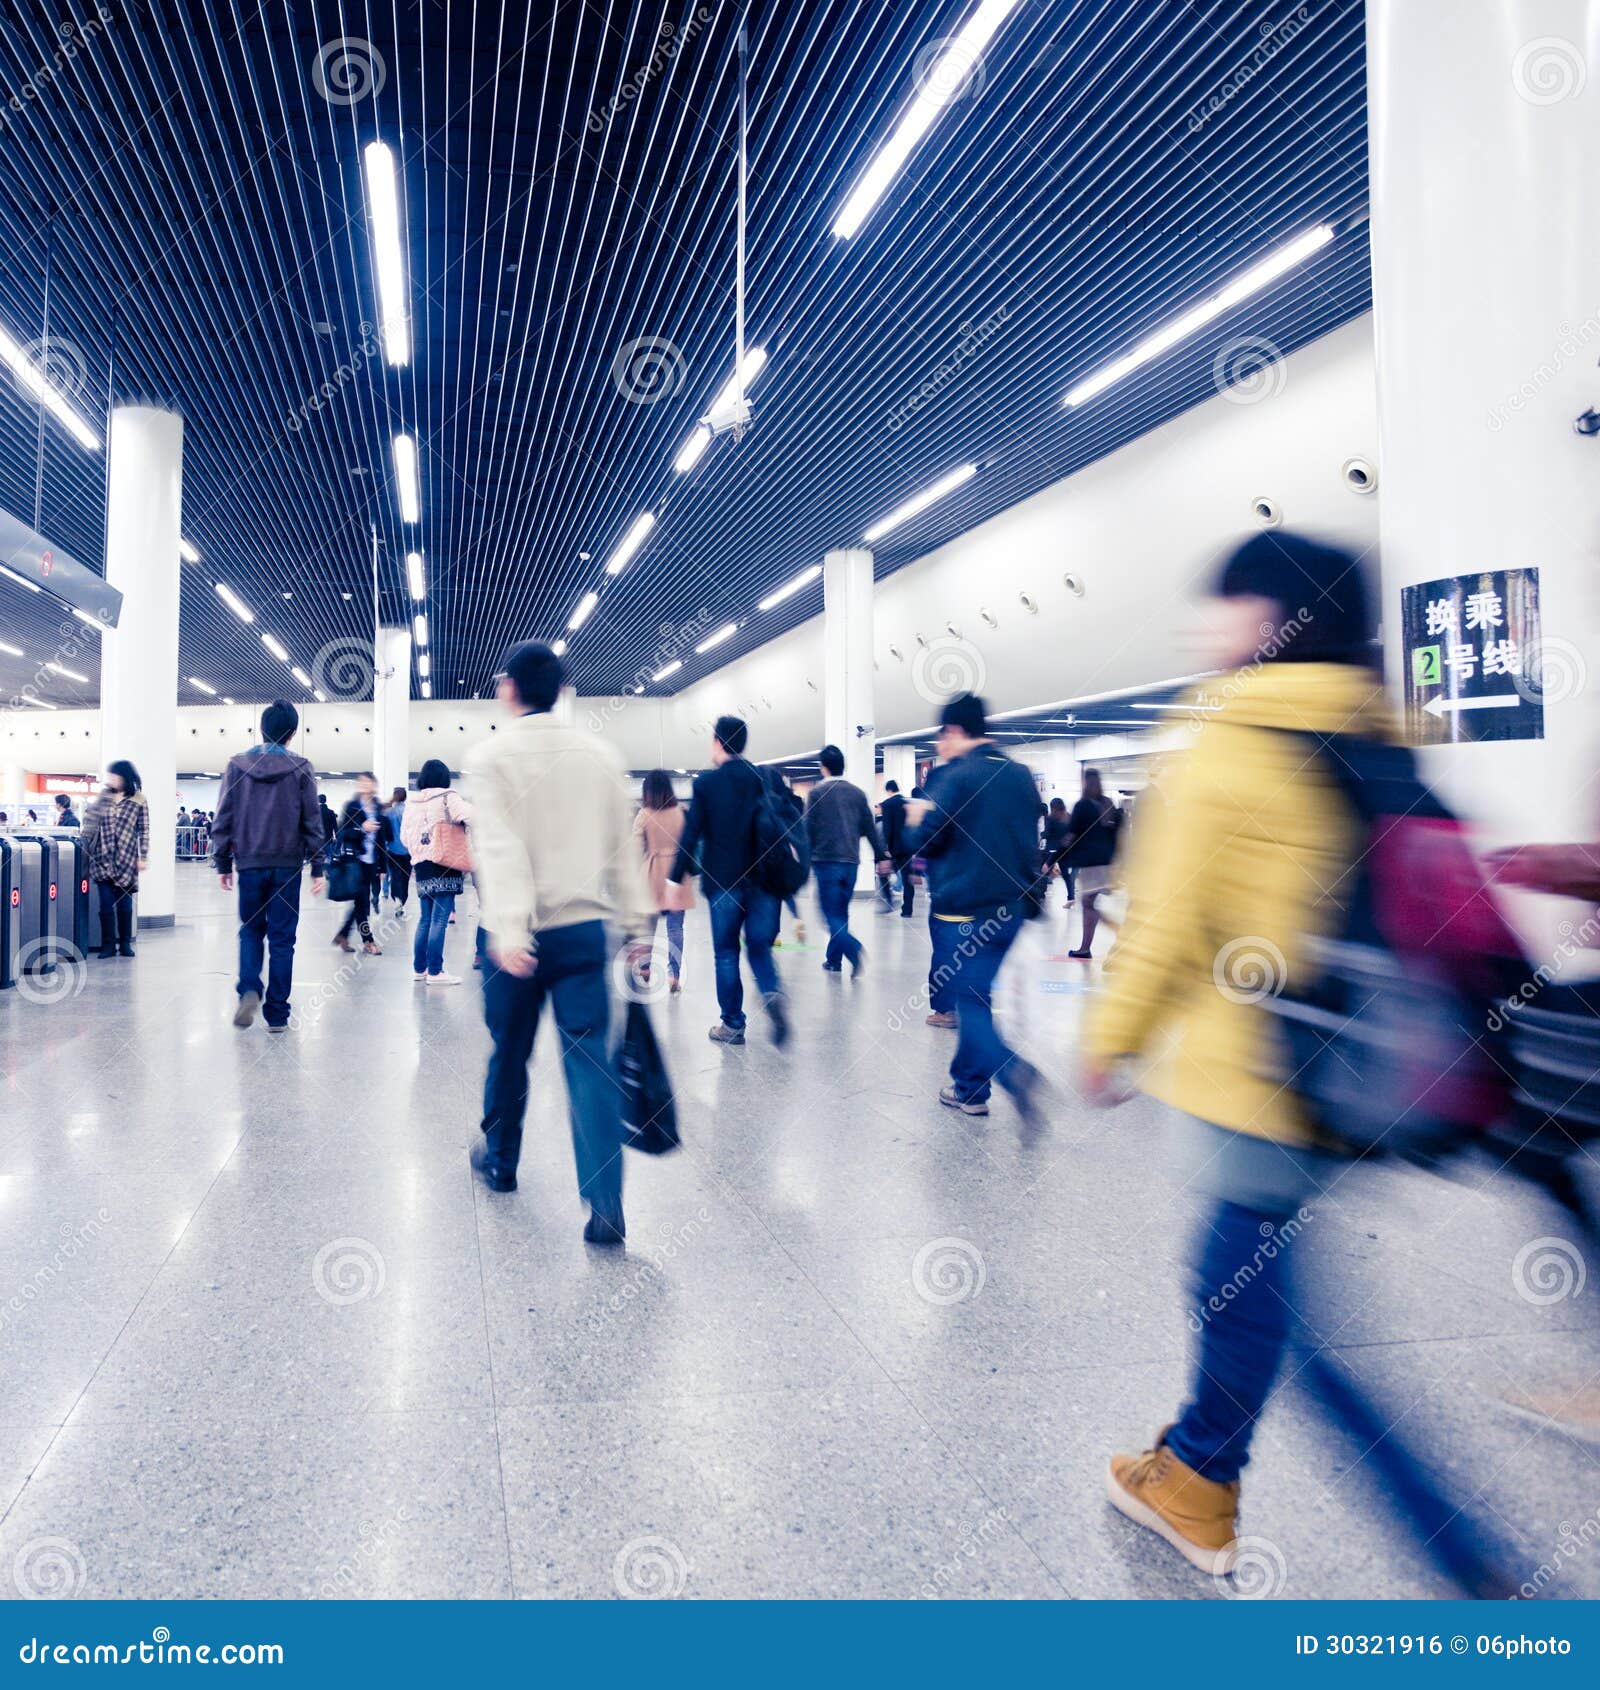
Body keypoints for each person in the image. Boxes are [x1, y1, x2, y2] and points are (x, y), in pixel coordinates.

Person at [1081, 531, 1442, 1581]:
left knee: (1261, 1297)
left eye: (1225, 602)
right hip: (1371, 1057)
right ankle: (1196, 1460)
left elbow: (1167, 918)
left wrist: (1109, 1039)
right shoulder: (1383, 730)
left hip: (1263, 1064)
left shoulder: (1222, 738)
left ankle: (1480, 1579)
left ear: (1265, 619)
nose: (1206, 624)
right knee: (1249, 1267)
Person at [468, 641, 652, 1241]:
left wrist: (514, 928)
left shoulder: (494, 756)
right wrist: (637, 927)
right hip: (583, 934)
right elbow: (623, 850)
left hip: (515, 938)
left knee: (509, 1050)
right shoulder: (598, 754)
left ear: (511, 688)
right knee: (590, 1063)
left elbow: (500, 846)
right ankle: (604, 1204)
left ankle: (500, 1161)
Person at [906, 694, 1044, 1123]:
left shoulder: (955, 776)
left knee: (968, 999)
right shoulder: (1020, 775)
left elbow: (926, 840)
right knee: (976, 995)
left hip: (966, 910)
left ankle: (1012, 1071)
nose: (940, 745)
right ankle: (970, 1089)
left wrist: (914, 820)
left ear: (953, 731)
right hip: (1014, 906)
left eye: (941, 736)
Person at [670, 715, 789, 1047]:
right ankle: (771, 991)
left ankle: (733, 1024)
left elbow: (691, 834)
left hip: (724, 883)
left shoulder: (707, 785)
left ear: (718, 742)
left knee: (726, 953)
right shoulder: (764, 778)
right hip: (764, 882)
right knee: (760, 949)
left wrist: (674, 878)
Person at [211, 699, 325, 1030]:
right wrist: (318, 867)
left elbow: (224, 815)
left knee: (250, 931)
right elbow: (312, 820)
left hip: (249, 863)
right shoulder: (301, 767)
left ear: (261, 729)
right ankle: (277, 1014)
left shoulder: (236, 764)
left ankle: (248, 988)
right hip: (287, 865)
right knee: (282, 939)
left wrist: (222, 862)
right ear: (292, 734)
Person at [804, 744, 888, 977]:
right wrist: (881, 856)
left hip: (825, 862)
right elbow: (870, 829)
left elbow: (807, 830)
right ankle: (834, 960)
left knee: (829, 915)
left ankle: (853, 948)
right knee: (840, 912)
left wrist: (802, 861)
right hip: (851, 863)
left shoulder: (816, 794)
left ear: (823, 768)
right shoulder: (857, 793)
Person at [402, 760, 470, 985]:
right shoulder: (448, 796)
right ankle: (435, 971)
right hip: (445, 860)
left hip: (421, 864)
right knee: (439, 920)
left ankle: (419, 969)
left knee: (425, 919)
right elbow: (469, 816)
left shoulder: (412, 802)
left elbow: (404, 837)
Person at [79, 761, 147, 958]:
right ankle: (108, 945)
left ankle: (124, 943)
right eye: (109, 776)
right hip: (102, 858)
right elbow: (90, 822)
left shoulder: (139, 799)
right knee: (105, 905)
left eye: (114, 776)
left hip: (127, 860)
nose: (111, 780)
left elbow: (144, 830)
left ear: (125, 777)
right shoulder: (103, 797)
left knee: (125, 905)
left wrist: (143, 857)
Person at [633, 768, 691, 992]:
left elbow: (635, 847)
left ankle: (645, 967)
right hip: (677, 873)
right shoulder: (682, 811)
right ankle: (674, 975)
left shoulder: (644, 814)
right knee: (675, 928)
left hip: (652, 871)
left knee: (648, 925)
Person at [1063, 769, 1122, 957]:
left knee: (1088, 903)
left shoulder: (1082, 806)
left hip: (1090, 863)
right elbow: (1116, 834)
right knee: (1089, 902)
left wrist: (1053, 858)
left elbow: (1070, 836)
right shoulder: (1107, 804)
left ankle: (1117, 933)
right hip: (1106, 861)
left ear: (1085, 782)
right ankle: (1086, 946)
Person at [331, 773, 389, 955]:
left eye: (367, 782)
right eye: (360, 781)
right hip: (355, 862)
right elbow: (342, 832)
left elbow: (382, 838)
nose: (363, 784)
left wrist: (383, 866)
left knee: (360, 903)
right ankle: (368, 941)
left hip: (372, 862)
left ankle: (343, 934)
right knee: (362, 903)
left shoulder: (377, 807)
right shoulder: (352, 806)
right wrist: (361, 828)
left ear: (374, 785)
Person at [877, 779, 918, 918]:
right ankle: (907, 910)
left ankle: (889, 902)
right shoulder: (907, 803)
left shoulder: (888, 804)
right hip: (908, 847)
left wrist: (886, 848)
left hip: (894, 849)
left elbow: (887, 828)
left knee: (882, 874)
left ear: (888, 790)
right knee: (908, 880)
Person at [1043, 796, 1074, 907]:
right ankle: (1071, 898)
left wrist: (1041, 835)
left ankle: (1040, 894)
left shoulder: (1050, 818)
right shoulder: (1068, 817)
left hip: (1052, 849)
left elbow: (1047, 833)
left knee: (1044, 871)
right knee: (1066, 875)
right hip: (1064, 849)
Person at [384, 786, 411, 915]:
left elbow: (385, 832)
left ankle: (397, 899)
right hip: (408, 850)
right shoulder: (410, 812)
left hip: (392, 849)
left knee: (395, 876)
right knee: (405, 877)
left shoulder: (389, 812)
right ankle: (403, 901)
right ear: (405, 797)